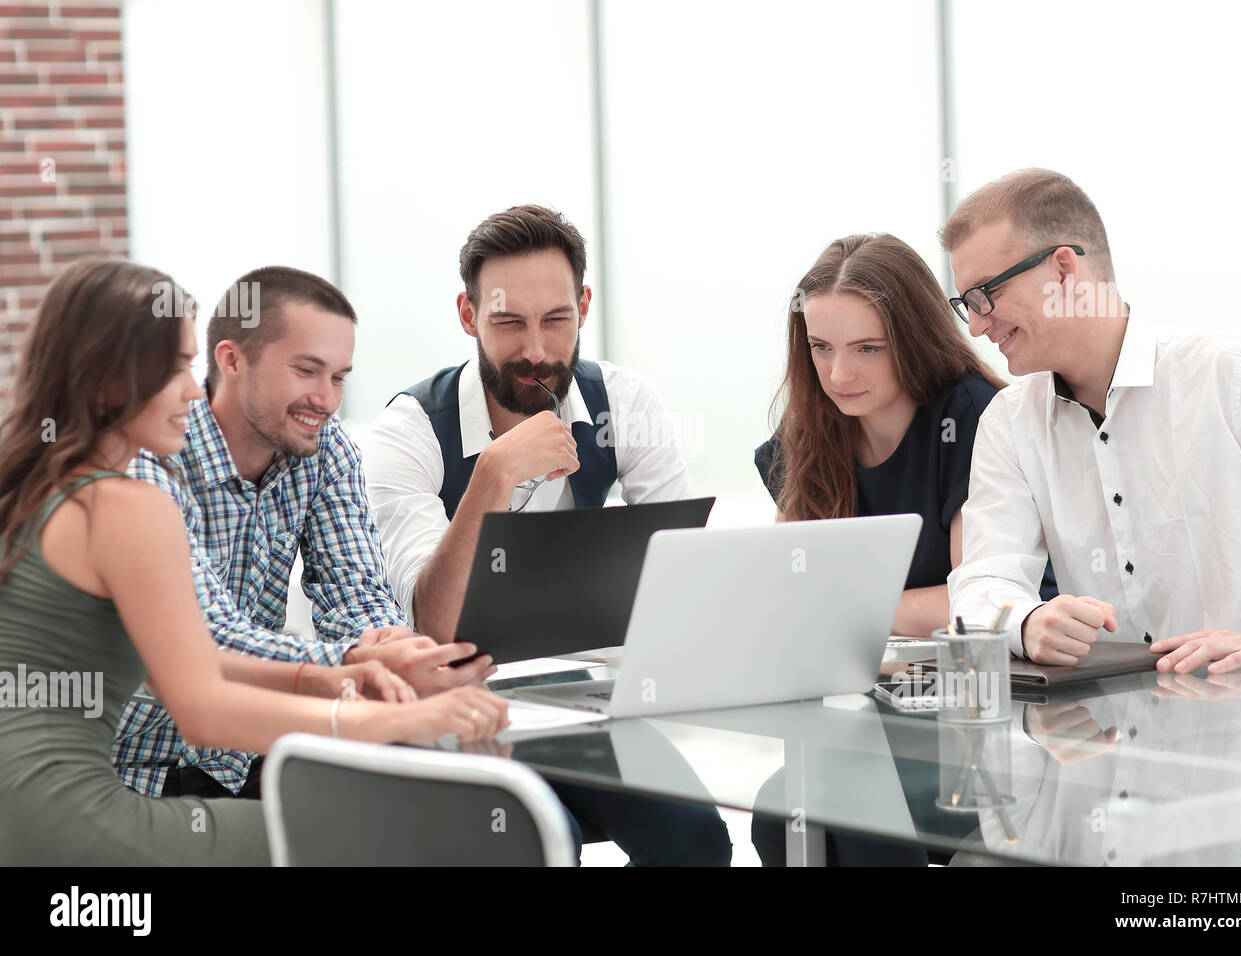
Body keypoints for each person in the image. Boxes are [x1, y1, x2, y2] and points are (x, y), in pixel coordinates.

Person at [0, 259, 507, 865]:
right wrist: (406, 721)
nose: (193, 390)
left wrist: (343, 672)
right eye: (173, 370)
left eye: (339, 375)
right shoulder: (130, 501)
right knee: (381, 839)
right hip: (77, 812)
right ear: (109, 382)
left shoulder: (49, 485)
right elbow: (204, 707)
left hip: (25, 812)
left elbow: (184, 661)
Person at [364, 204, 732, 866]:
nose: (536, 351)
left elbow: (692, 577)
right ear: (468, 315)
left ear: (584, 306)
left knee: (698, 844)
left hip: (581, 702)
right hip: (457, 712)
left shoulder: (624, 403)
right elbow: (437, 627)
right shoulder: (410, 432)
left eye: (556, 320)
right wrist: (494, 475)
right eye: (508, 323)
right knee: (538, 838)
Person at [114, 264, 497, 801]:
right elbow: (204, 637)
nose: (327, 398)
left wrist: (390, 644)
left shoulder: (325, 449)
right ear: (231, 361)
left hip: (248, 755)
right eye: (306, 370)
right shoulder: (150, 459)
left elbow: (355, 592)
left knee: (441, 808)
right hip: (135, 767)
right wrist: (352, 664)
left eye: (339, 376)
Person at [750, 232, 1051, 866]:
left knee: (858, 813)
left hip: (990, 710)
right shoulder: (808, 425)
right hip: (872, 703)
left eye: (867, 349)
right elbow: (789, 585)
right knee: (780, 815)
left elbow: (976, 604)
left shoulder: (970, 416)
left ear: (911, 339)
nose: (839, 374)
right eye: (821, 348)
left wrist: (843, 612)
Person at [944, 168, 1241, 674]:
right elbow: (981, 582)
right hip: (1116, 737)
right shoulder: (1009, 423)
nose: (977, 325)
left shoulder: (1238, 372)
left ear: (1064, 271)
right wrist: (1023, 622)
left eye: (985, 295)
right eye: (966, 305)